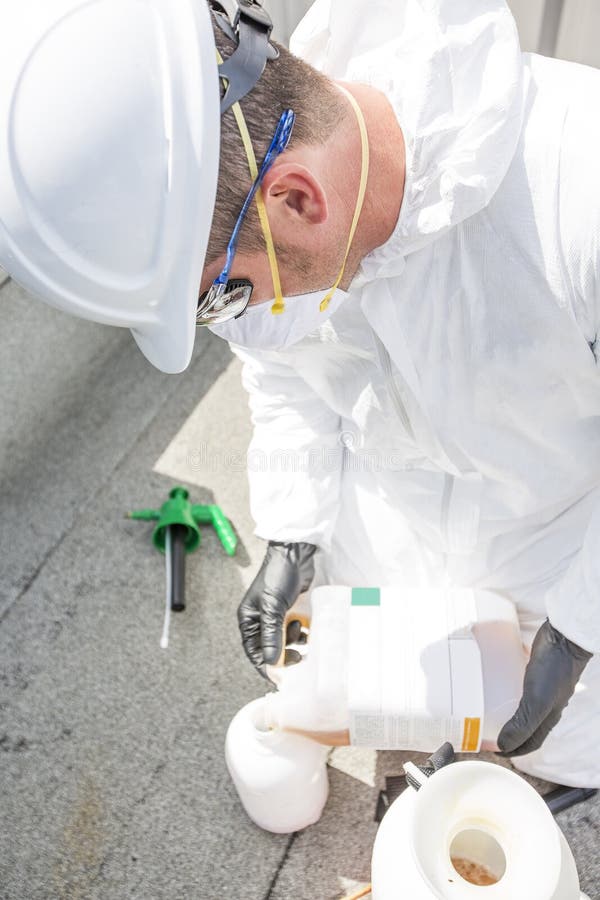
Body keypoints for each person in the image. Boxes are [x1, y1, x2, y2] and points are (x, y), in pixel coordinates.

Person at [1, 0, 599, 788]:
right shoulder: (289, 207)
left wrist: (580, 621)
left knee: (565, 738)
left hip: (559, 531)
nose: (234, 321)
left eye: (225, 298)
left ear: (296, 199)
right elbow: (281, 367)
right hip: (399, 510)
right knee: (381, 692)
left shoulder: (575, 193)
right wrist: (294, 532)